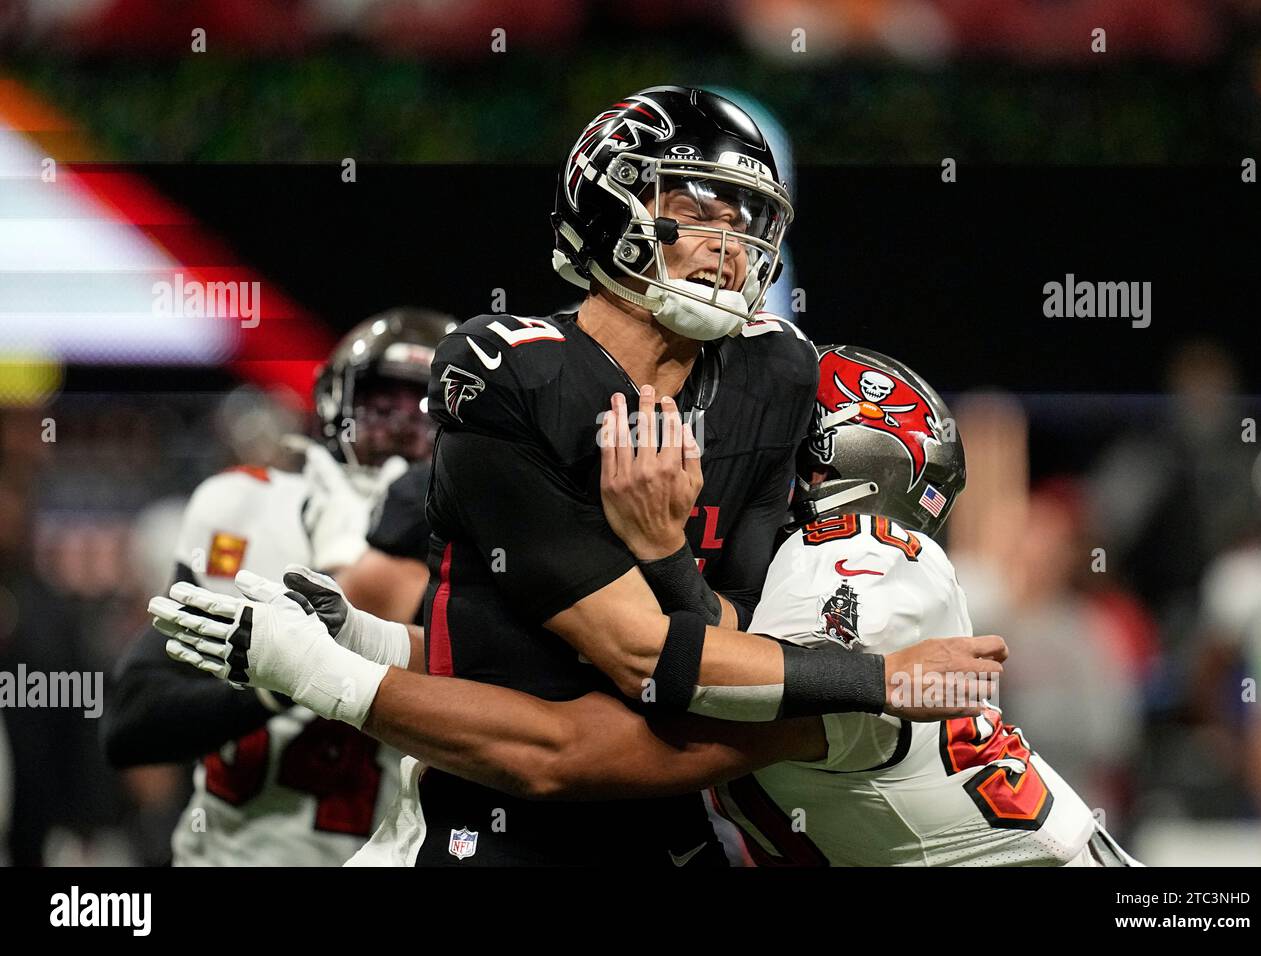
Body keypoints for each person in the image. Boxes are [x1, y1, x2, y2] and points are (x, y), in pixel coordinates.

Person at [152, 87, 1005, 866]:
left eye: (749, 217)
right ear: (612, 204)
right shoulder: (512, 375)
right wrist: (882, 677)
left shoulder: (773, 374)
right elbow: (640, 658)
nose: (729, 244)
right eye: (698, 207)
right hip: (495, 821)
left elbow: (735, 627)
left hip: (669, 825)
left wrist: (667, 554)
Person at [151, 346, 1038, 866]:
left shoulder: (852, 582)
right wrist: (373, 640)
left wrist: (319, 670)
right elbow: (579, 684)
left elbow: (565, 750)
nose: (713, 447)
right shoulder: (796, 595)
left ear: (824, 465)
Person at [103, 308, 455, 865]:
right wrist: (274, 681)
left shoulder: (476, 552)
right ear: (337, 404)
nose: (402, 435)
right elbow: (131, 723)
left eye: (427, 417)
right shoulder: (246, 507)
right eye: (383, 409)